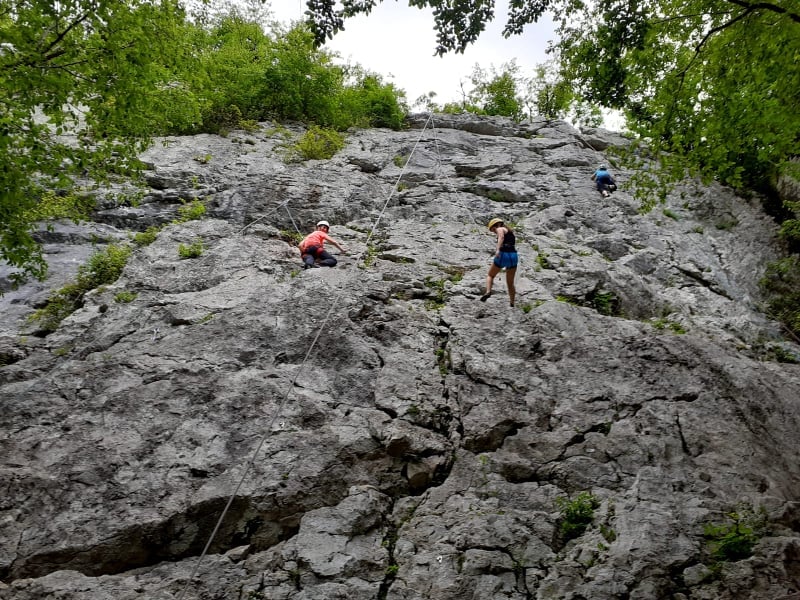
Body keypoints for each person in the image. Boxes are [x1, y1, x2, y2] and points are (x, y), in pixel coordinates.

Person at [480, 218, 518, 307]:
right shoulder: (510, 232)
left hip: (503, 255)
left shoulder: (500, 228)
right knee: (510, 283)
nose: (494, 232)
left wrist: (497, 250)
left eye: (493, 229)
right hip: (513, 256)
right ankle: (512, 303)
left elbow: (501, 237)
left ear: (496, 225)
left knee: (490, 275)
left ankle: (488, 292)